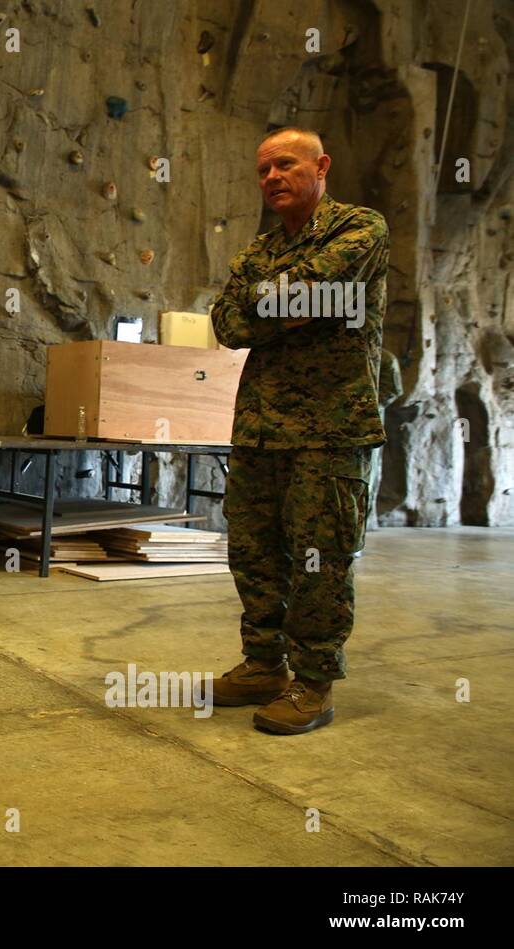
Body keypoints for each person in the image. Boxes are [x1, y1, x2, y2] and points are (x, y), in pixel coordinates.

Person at [209, 127, 389, 735]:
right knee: (253, 552)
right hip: (260, 428)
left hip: (331, 430)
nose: (272, 178)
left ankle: (313, 682)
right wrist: (291, 304)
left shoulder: (361, 229)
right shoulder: (257, 251)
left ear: (321, 166)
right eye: (263, 170)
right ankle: (263, 664)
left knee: (320, 560)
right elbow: (228, 324)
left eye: (285, 165)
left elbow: (300, 298)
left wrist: (283, 303)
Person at [367, 348, 402, 528]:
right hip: (336, 426)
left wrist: (364, 406)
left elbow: (392, 390)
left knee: (368, 475)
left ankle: (361, 526)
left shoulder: (385, 357)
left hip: (369, 425)